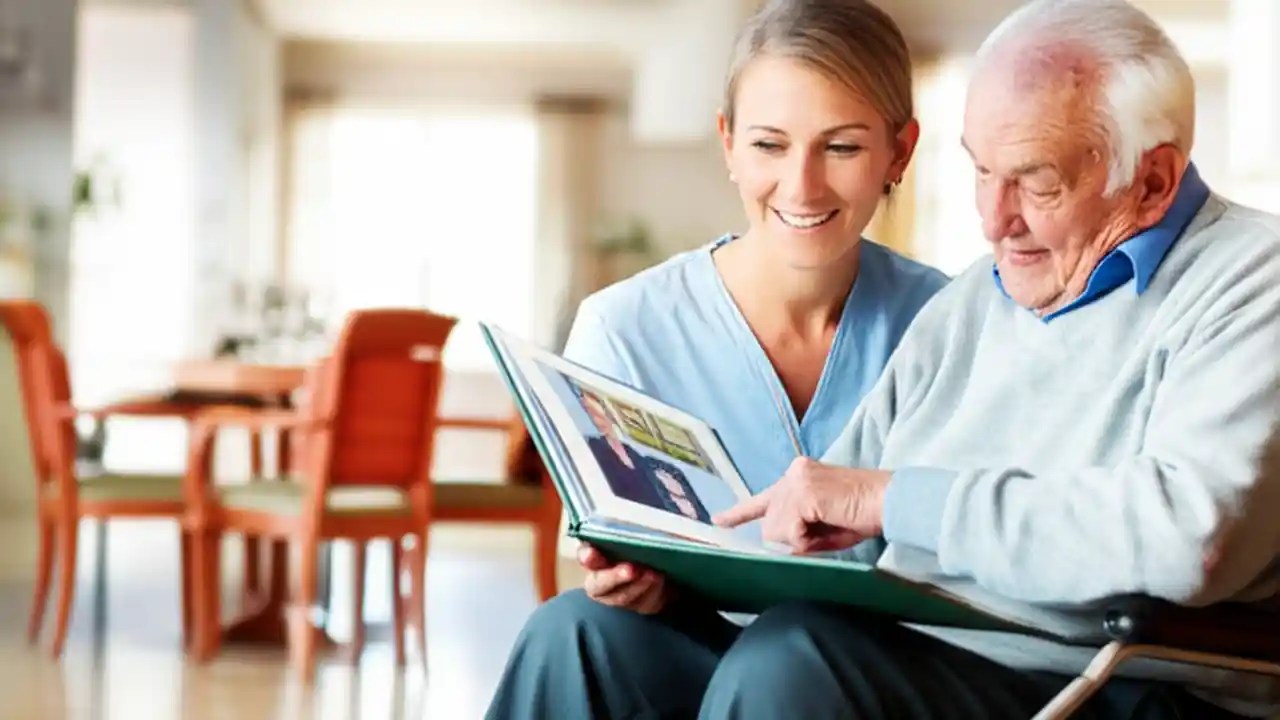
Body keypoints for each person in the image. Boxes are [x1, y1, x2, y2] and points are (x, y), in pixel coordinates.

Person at [704, 0, 1280, 718]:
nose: (993, 219)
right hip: (924, 653)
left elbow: (1187, 536)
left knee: (793, 661)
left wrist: (898, 500)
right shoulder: (977, 297)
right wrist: (681, 579)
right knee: (597, 639)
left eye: (1037, 183)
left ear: (1154, 181)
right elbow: (833, 538)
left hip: (1116, 682)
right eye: (981, 172)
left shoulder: (1255, 280)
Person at [486, 0, 947, 717]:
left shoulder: (949, 326)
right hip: (690, 651)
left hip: (871, 675)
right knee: (569, 630)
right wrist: (628, 576)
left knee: (789, 653)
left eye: (843, 147)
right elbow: (589, 553)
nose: (802, 185)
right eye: (770, 145)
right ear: (728, 143)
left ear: (900, 152)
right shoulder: (624, 326)